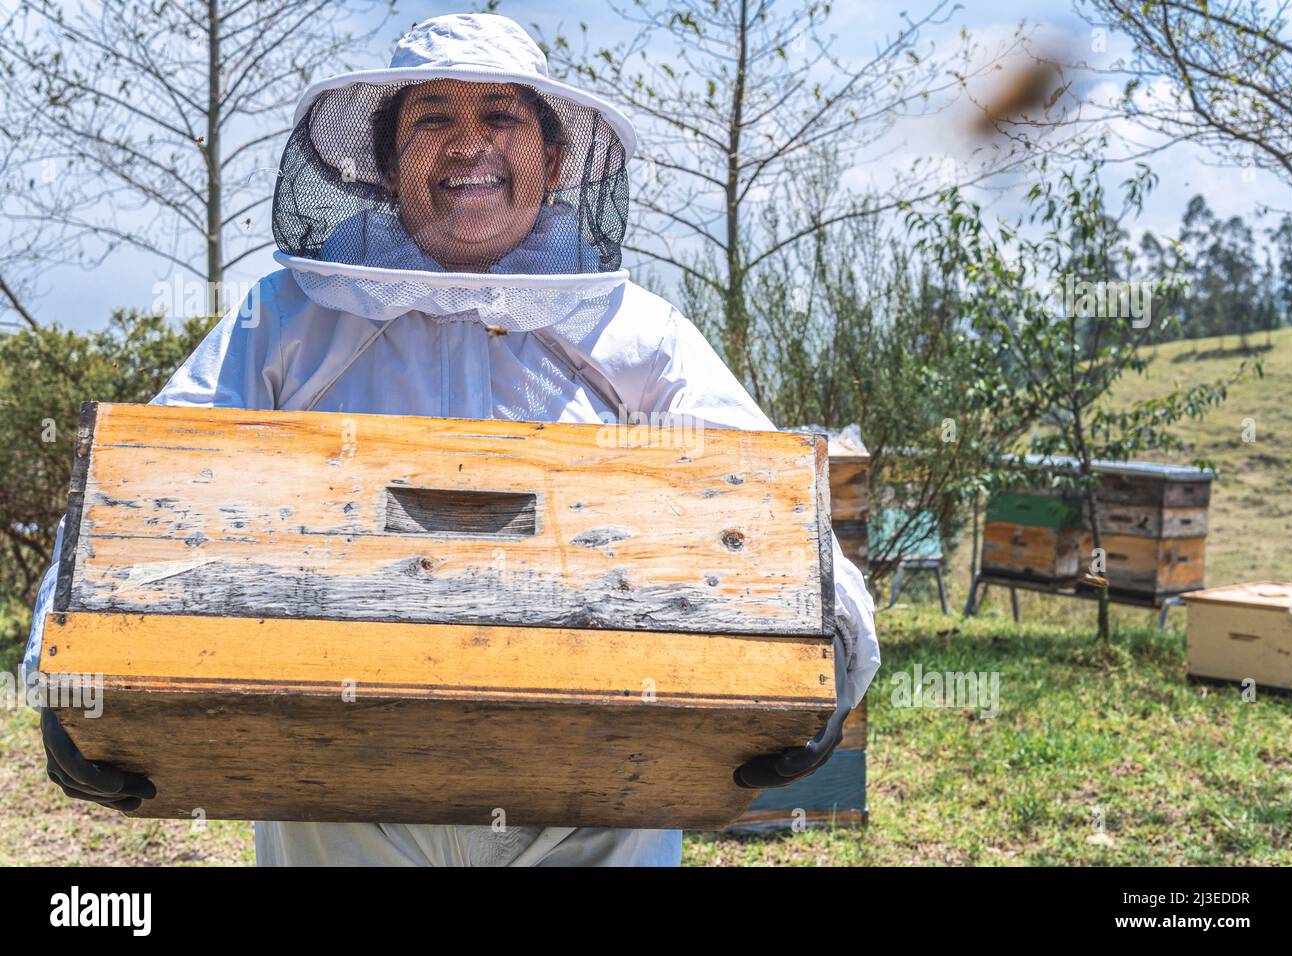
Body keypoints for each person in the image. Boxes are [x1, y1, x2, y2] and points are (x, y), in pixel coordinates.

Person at [25, 12, 880, 867]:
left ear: (552, 160)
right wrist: (57, 675)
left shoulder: (638, 334)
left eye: (501, 116)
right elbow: (133, 490)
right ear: (390, 164)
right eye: (433, 119)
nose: (469, 145)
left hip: (596, 796)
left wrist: (838, 650)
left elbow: (771, 509)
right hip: (336, 790)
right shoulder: (284, 320)